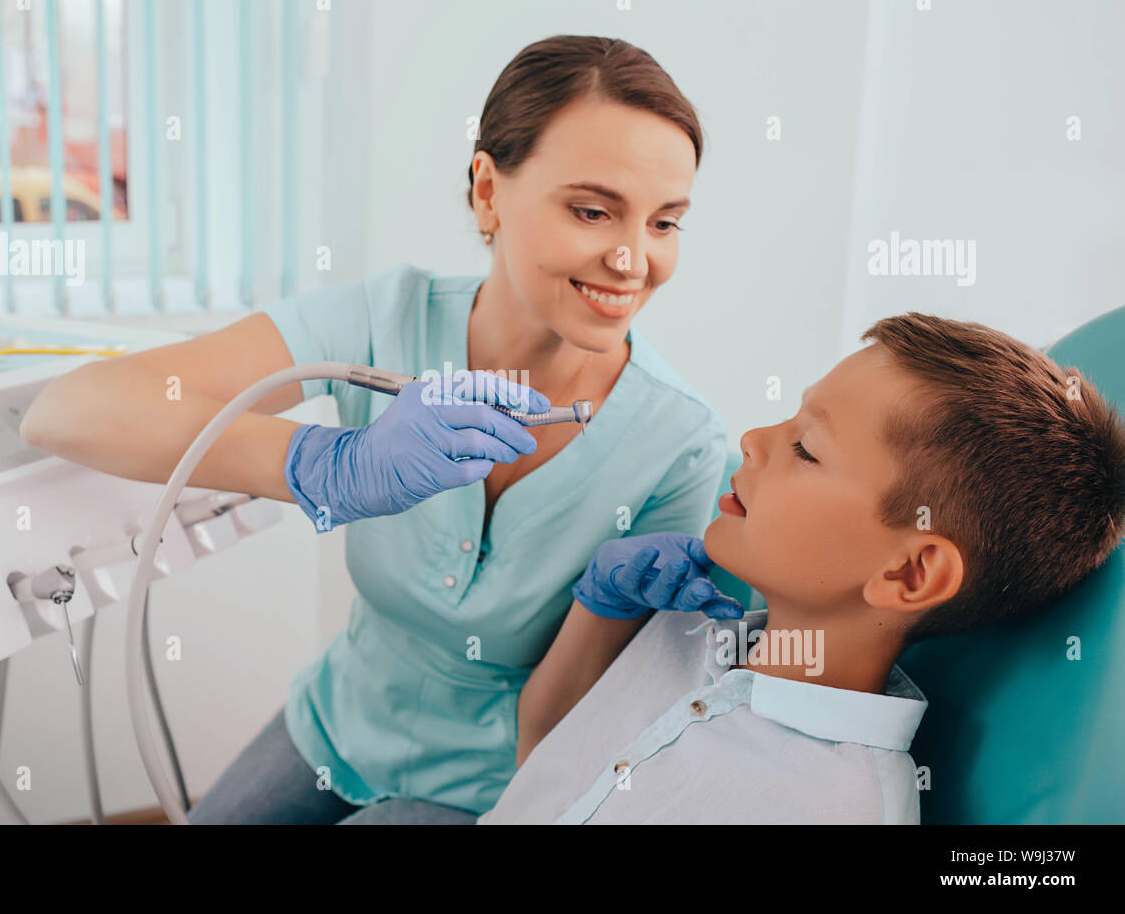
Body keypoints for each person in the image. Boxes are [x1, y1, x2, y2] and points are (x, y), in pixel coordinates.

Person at [19, 35, 740, 823]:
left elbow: (578, 735)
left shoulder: (681, 445)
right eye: (593, 211)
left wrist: (603, 607)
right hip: (340, 726)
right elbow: (70, 412)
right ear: (488, 193)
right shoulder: (383, 320)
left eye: (665, 223)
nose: (634, 259)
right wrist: (327, 463)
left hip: (499, 790)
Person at [481, 313, 1125, 823]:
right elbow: (538, 759)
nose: (756, 439)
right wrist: (599, 611)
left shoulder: (839, 807)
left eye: (806, 449)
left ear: (910, 573)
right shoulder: (686, 622)